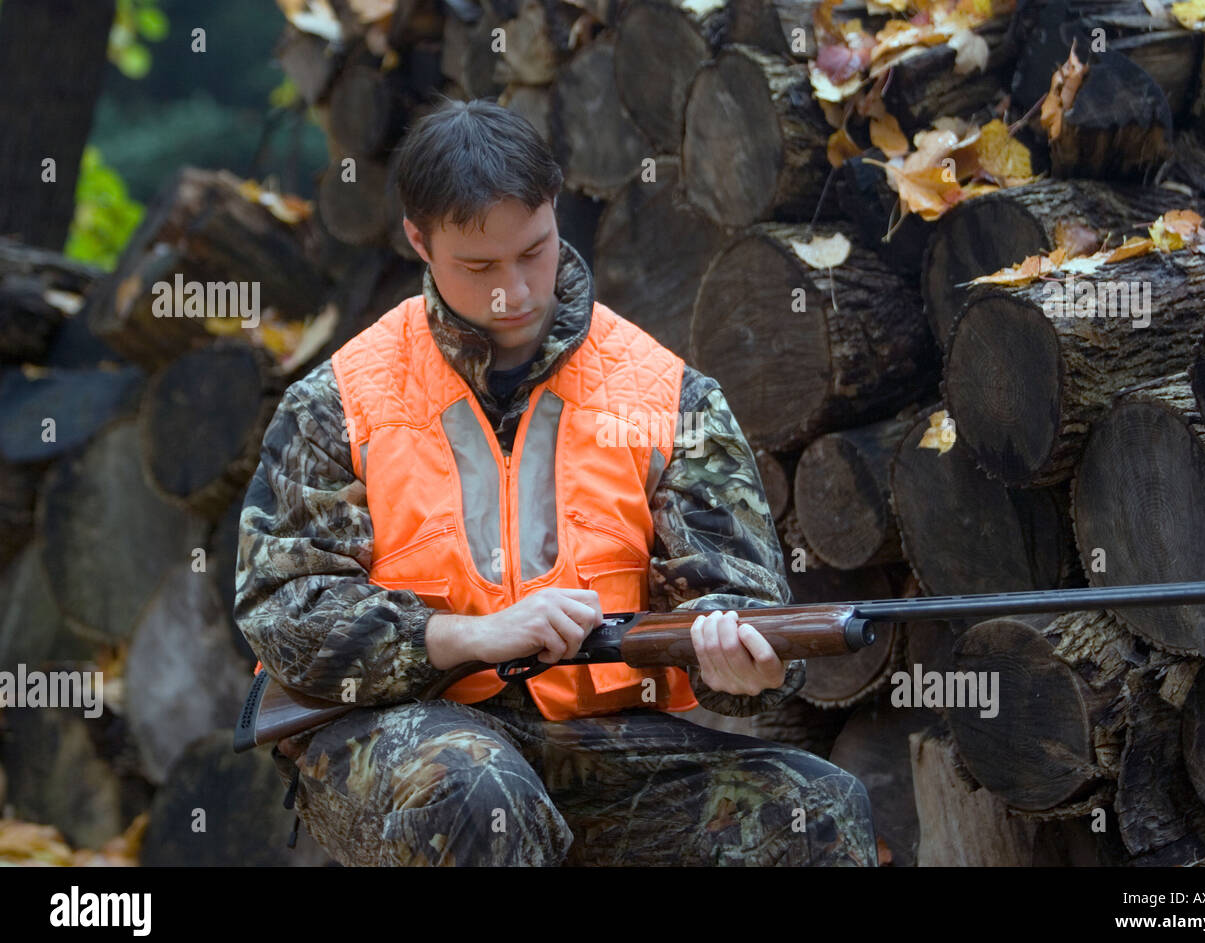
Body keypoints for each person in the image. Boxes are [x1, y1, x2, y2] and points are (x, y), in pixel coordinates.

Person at [233, 96, 876, 866]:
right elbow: (285, 609)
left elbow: (738, 603)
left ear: (556, 206)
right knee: (476, 789)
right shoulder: (338, 401)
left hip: (596, 738)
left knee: (815, 809)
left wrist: (741, 664)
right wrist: (464, 637)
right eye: (479, 265)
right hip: (403, 740)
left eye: (534, 250)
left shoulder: (671, 397)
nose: (517, 290)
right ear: (417, 240)